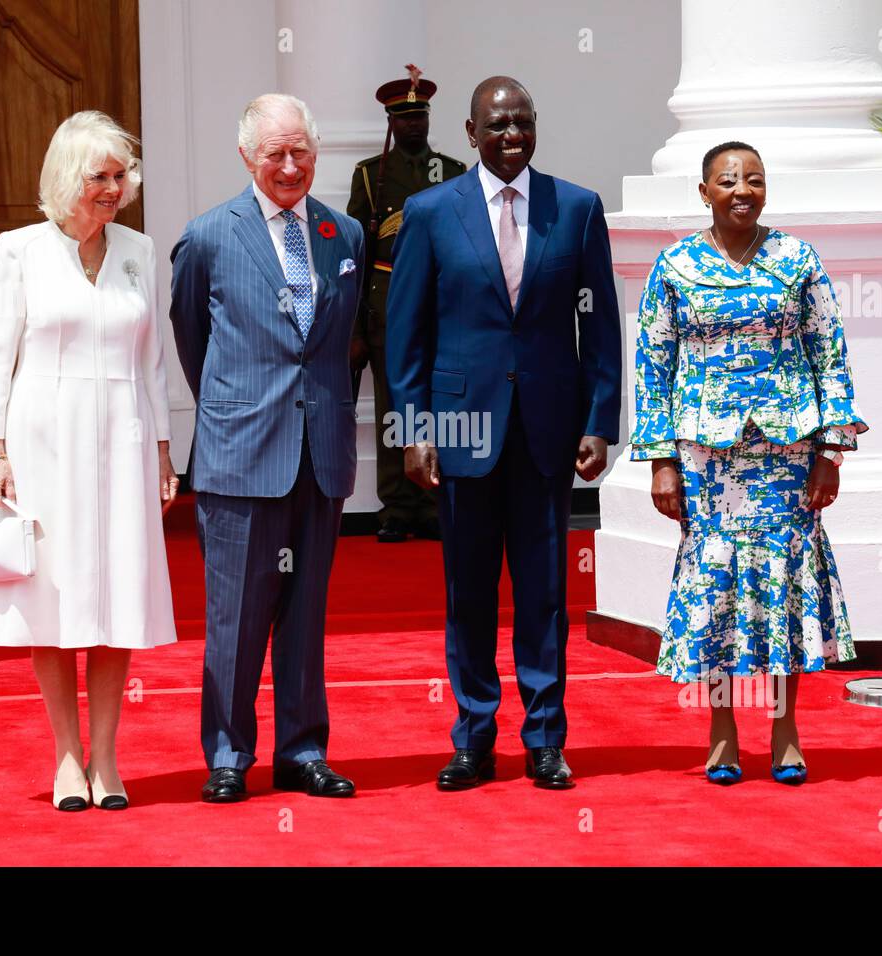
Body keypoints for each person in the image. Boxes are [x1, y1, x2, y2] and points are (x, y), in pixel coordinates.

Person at [386, 76, 622, 791]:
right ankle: (474, 737)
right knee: (469, 592)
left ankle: (545, 738)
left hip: (548, 430)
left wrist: (599, 420)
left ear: (536, 125)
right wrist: (412, 427)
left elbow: (601, 324)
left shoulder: (576, 208)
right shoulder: (430, 213)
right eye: (497, 125)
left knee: (546, 593)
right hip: (461, 430)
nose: (511, 135)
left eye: (522, 121)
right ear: (470, 133)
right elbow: (408, 335)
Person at [630, 141, 868, 786]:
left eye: (754, 180)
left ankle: (786, 731)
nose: (742, 190)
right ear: (703, 191)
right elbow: (652, 367)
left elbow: (830, 353)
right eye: (728, 180)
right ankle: (722, 733)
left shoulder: (796, 259)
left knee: (784, 584)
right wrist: (659, 462)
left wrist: (831, 453)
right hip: (707, 457)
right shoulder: (675, 265)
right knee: (715, 588)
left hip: (787, 451)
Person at [0, 111, 178, 812]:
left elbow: (151, 363)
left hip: (122, 434)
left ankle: (110, 758)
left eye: (122, 176)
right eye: (101, 176)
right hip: (42, 440)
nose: (115, 189)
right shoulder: (19, 250)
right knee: (53, 597)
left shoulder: (139, 252)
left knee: (119, 592)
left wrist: (161, 450)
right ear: (67, 178)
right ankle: (67, 757)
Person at [169, 94, 365, 803]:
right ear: (247, 156)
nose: (289, 166)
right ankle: (228, 753)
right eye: (275, 153)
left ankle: (303, 749)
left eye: (301, 152)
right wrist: (239, 409)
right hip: (242, 453)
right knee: (235, 617)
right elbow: (194, 339)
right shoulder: (208, 237)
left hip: (320, 454)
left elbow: (335, 344)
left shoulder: (342, 233)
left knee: (305, 614)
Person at [347, 65, 466, 543]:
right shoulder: (371, 177)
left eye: (419, 115)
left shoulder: (455, 172)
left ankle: (438, 500)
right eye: (403, 117)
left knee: (443, 403)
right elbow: (355, 255)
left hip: (441, 303)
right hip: (388, 297)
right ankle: (397, 506)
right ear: (391, 123)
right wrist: (355, 327)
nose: (413, 124)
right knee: (394, 405)